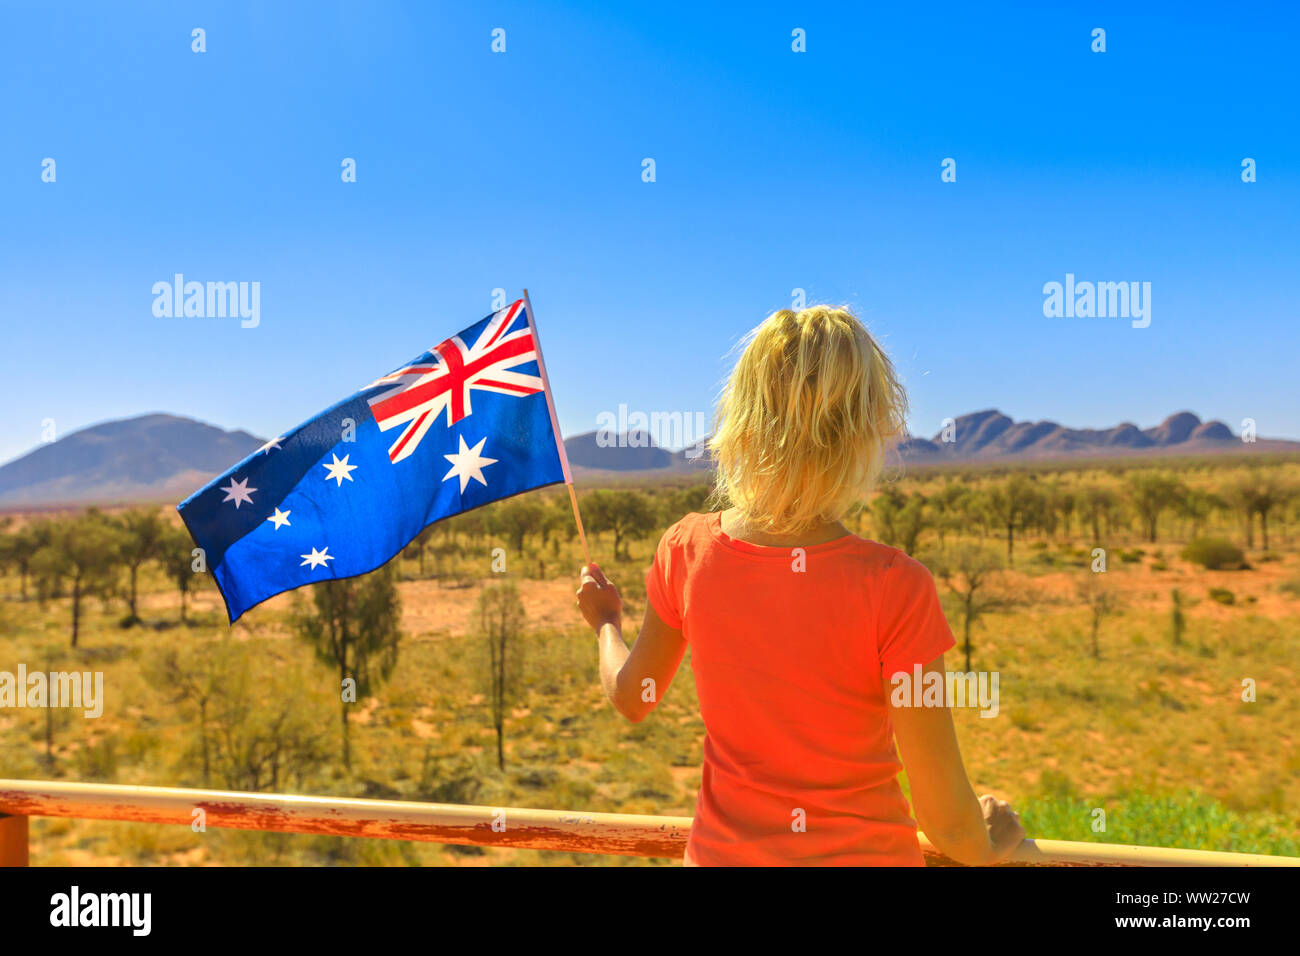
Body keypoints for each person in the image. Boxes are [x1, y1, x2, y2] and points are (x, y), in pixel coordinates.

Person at [575, 305, 1025, 866]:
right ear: (867, 428)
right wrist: (994, 838)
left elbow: (633, 697)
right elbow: (949, 825)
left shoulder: (687, 550)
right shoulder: (895, 586)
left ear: (742, 415)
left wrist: (606, 624)